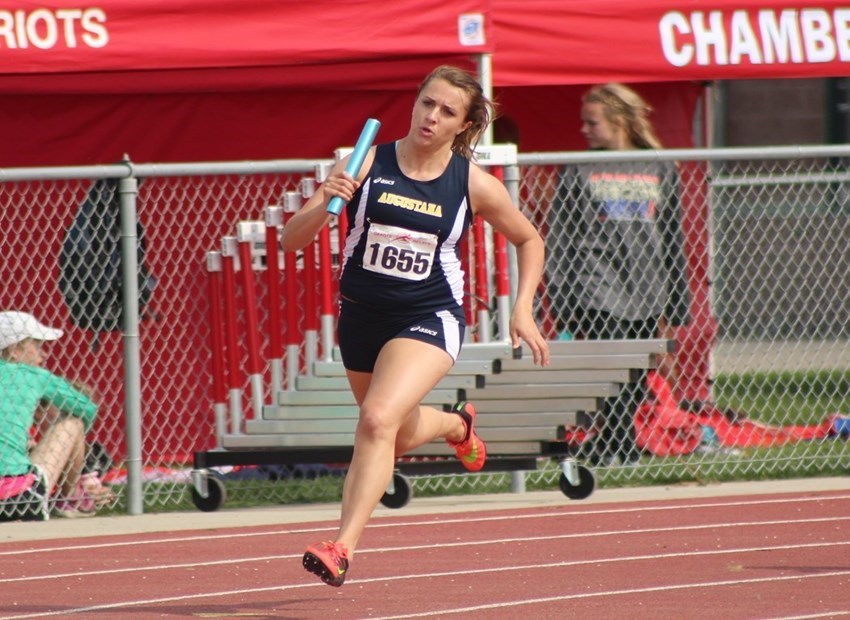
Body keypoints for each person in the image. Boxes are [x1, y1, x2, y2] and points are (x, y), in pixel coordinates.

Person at [282, 65, 550, 587]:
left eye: (447, 112)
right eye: (428, 103)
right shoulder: (363, 162)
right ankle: (454, 426)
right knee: (394, 433)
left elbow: (529, 239)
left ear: (463, 125)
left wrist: (522, 308)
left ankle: (341, 546)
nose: (432, 117)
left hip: (429, 316)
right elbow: (292, 239)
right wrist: (325, 202)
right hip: (361, 316)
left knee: (377, 419)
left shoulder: (472, 183)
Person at [545, 83, 691, 466]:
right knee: (610, 367)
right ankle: (621, 446)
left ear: (619, 121)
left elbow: (672, 234)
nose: (584, 129)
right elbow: (561, 236)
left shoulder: (658, 165)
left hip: (646, 285)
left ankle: (614, 444)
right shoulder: (578, 168)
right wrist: (561, 299)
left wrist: (677, 303)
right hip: (596, 283)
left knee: (636, 372)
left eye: (592, 122)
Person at [0, 311, 111, 520]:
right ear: (14, 350)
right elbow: (87, 409)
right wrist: (73, 453)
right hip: (18, 496)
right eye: (37, 346)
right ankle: (71, 498)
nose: (43, 354)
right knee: (73, 424)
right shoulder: (34, 375)